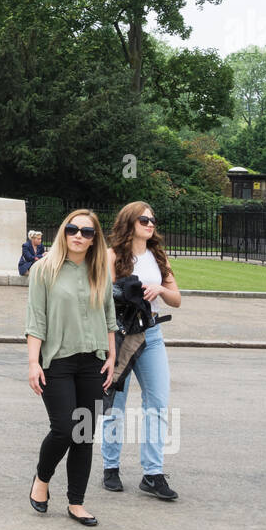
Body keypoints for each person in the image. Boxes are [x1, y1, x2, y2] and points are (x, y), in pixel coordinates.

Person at [26, 210, 117, 526]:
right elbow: (36, 320)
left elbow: (109, 317)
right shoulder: (44, 269)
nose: (79, 235)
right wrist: (33, 363)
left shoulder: (100, 271)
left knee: (83, 434)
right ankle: (42, 478)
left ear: (94, 240)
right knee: (64, 428)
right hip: (57, 361)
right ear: (63, 232)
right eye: (73, 229)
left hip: (92, 361)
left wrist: (111, 357)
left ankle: (76, 502)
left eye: (87, 232)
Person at [100, 202, 182, 501]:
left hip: (152, 334)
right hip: (122, 335)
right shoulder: (112, 256)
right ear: (130, 222)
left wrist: (159, 290)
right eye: (144, 219)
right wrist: (126, 291)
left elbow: (177, 299)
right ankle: (110, 466)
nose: (151, 224)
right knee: (115, 406)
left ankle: (152, 473)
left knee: (158, 404)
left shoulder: (159, 257)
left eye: (153, 220)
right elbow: (101, 299)